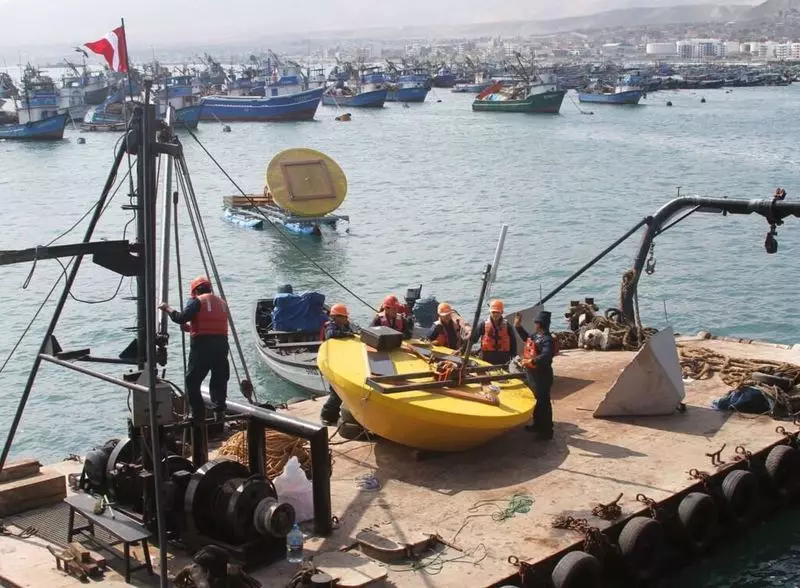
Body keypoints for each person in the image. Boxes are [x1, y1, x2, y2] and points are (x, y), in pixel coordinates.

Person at [159, 276, 229, 422]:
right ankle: (219, 411)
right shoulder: (222, 303)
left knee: (192, 381)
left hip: (202, 346)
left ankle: (198, 414)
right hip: (221, 345)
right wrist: (191, 329)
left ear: (196, 291)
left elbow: (181, 318)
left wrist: (167, 308)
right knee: (219, 379)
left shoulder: (197, 301)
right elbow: (214, 327)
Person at [515, 310, 555, 441]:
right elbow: (527, 339)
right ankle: (537, 425)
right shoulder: (537, 335)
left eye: (537, 323)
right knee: (537, 402)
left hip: (542, 375)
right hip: (533, 375)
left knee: (544, 404)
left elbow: (546, 356)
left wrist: (531, 361)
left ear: (540, 324)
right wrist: (518, 326)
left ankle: (546, 431)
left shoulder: (547, 339)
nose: (535, 324)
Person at [319, 303, 355, 425]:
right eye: (344, 317)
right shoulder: (330, 327)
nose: (346, 319)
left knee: (340, 391)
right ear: (337, 317)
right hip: (331, 363)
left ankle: (333, 415)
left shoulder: (346, 326)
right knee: (336, 391)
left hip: (343, 362)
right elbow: (330, 335)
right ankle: (326, 415)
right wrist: (346, 335)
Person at [469, 299, 517, 366]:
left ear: (502, 312)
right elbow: (473, 339)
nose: (495, 314)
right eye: (493, 312)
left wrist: (513, 356)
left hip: (503, 358)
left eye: (497, 312)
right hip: (486, 357)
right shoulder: (483, 325)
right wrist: (462, 350)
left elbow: (513, 342)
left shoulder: (508, 326)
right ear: (490, 312)